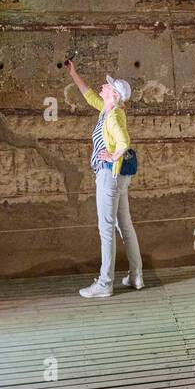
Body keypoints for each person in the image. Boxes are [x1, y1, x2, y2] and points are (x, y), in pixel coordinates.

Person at [65, 59, 143, 298]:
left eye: (108, 86)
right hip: (118, 177)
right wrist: (73, 73)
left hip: (109, 176)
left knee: (106, 228)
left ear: (115, 95)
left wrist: (112, 155)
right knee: (124, 225)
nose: (103, 86)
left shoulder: (114, 116)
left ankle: (105, 282)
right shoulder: (107, 109)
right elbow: (89, 95)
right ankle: (136, 275)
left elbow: (124, 141)